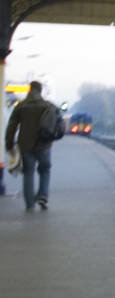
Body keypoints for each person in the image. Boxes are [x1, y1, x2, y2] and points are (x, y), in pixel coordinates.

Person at [4, 81, 59, 212]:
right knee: (45, 170)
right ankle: (43, 196)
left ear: (29, 90)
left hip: (26, 144)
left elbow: (12, 126)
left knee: (28, 172)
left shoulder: (21, 106)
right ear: (40, 91)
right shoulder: (47, 106)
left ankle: (29, 204)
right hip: (44, 144)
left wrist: (9, 144)